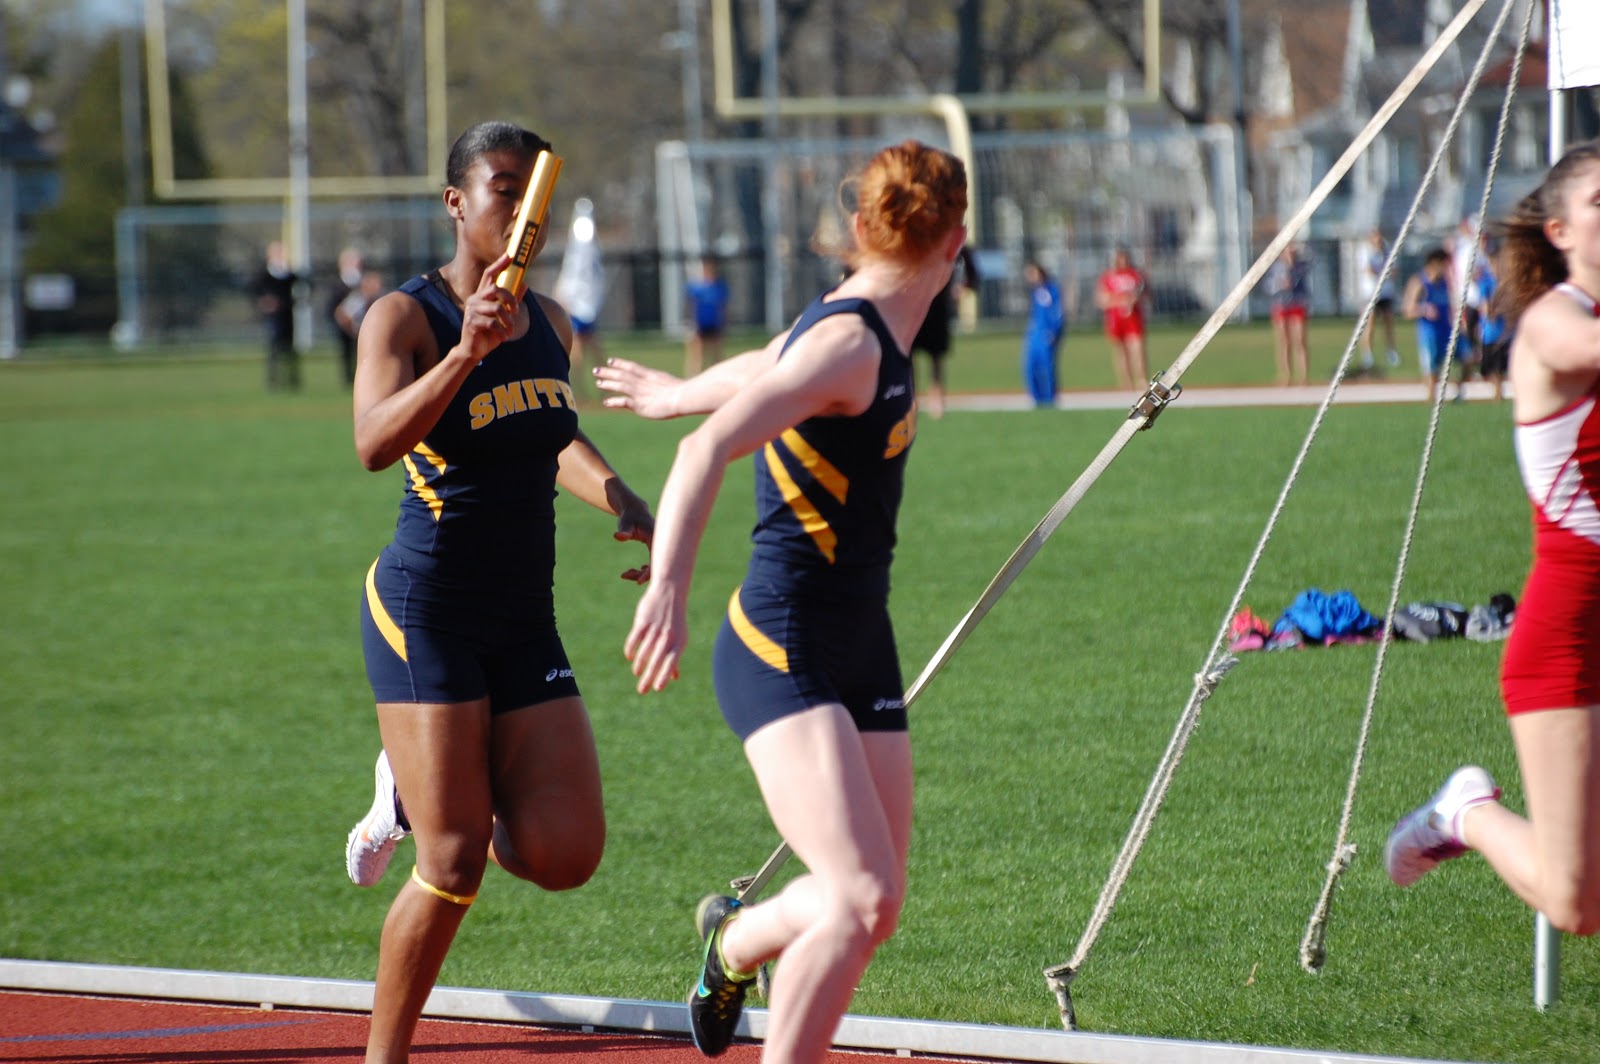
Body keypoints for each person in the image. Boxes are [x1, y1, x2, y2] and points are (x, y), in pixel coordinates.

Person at [593, 139, 967, 1064]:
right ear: (956, 242)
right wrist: (669, 587)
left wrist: (680, 390)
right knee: (854, 899)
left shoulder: (860, 325)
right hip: (781, 642)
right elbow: (705, 451)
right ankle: (743, 960)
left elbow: (768, 361)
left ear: (863, 226)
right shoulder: (852, 340)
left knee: (874, 903)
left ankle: (733, 942)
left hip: (861, 642)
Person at [341, 121, 654, 1064]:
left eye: (534, 196)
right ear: (457, 202)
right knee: (451, 866)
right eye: (503, 190)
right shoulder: (404, 318)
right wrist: (462, 354)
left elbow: (547, 429)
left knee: (565, 854)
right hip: (427, 608)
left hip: (523, 618)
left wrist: (620, 494)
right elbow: (372, 443)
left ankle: (433, 786)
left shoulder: (551, 321)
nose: (522, 213)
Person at [1384, 140, 1600, 940]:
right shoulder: (1553, 320)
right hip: (1567, 636)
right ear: (1559, 231)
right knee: (1576, 905)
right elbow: (1583, 350)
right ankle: (1465, 812)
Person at [909, 243, 978, 417]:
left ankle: (937, 402)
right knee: (909, 359)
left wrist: (963, 286)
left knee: (936, 357)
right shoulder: (914, 242)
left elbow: (970, 268)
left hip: (937, 307)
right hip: (913, 307)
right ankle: (911, 403)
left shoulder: (947, 242)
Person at [554, 196, 607, 382]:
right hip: (582, 303)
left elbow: (576, 274)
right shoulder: (585, 246)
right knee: (586, 343)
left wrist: (565, 294)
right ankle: (591, 382)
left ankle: (582, 382)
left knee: (583, 344)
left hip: (580, 304)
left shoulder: (585, 249)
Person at [1402, 247, 1462, 405]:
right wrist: (1424, 310)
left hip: (1446, 330)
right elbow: (1407, 310)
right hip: (1429, 333)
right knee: (1431, 369)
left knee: (1467, 357)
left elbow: (1451, 305)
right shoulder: (1419, 282)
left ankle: (1459, 393)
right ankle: (1431, 401)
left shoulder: (1445, 282)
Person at [1094, 247, 1149, 390]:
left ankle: (1141, 379)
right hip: (1116, 319)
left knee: (1137, 349)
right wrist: (1119, 302)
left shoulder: (1136, 275)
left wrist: (1134, 300)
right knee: (1121, 352)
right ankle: (1126, 383)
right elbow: (1101, 300)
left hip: (1133, 318)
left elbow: (1145, 293)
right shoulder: (1108, 277)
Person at [254, 240, 300, 391]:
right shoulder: (264, 275)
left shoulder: (289, 275)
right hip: (273, 317)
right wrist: (265, 302)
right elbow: (255, 292)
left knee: (290, 348)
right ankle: (273, 380)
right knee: (274, 347)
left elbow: (306, 284)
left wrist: (296, 301)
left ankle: (292, 379)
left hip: (288, 315)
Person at [1021, 260, 1065, 408]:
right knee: (1030, 366)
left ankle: (1050, 398)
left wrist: (1054, 331)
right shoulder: (1035, 292)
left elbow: (1058, 312)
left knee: (1047, 367)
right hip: (1035, 334)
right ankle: (1036, 398)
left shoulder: (1052, 290)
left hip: (1047, 333)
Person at [1266, 244, 1311, 386]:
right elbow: (1268, 286)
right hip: (1281, 303)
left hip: (1297, 302)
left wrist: (1301, 249)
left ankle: (1303, 376)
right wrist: (1280, 284)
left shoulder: (1301, 266)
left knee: (1300, 340)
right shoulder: (1276, 267)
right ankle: (1285, 375)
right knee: (1284, 341)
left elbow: (1313, 258)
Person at [1358, 229, 1402, 372]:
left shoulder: (1388, 250)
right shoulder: (1365, 251)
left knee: (1388, 322)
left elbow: (1395, 270)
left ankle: (1391, 350)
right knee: (1370, 323)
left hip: (1386, 292)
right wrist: (1383, 272)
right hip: (1370, 293)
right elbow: (1368, 270)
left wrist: (1386, 272)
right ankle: (1367, 355)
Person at [685, 257, 730, 377]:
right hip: (699, 324)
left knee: (717, 354)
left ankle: (719, 377)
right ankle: (693, 378)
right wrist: (691, 324)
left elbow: (723, 308)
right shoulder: (696, 288)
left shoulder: (719, 287)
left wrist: (724, 323)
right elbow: (691, 307)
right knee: (698, 355)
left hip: (714, 324)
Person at [1476, 245, 1510, 401]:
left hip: (1506, 331)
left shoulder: (1507, 283)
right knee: (1492, 367)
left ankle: (1500, 395)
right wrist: (1493, 311)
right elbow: (1485, 307)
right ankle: (1497, 394)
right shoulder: (1486, 283)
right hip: (1491, 331)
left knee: (1504, 365)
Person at [328, 247, 366, 387]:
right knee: (346, 351)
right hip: (343, 324)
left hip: (361, 323)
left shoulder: (365, 282)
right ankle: (348, 377)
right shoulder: (338, 283)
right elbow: (333, 307)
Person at [333, 269, 385, 359]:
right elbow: (341, 314)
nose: (377, 288)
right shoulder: (357, 300)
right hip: (360, 335)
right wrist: (353, 331)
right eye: (374, 285)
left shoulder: (382, 299)